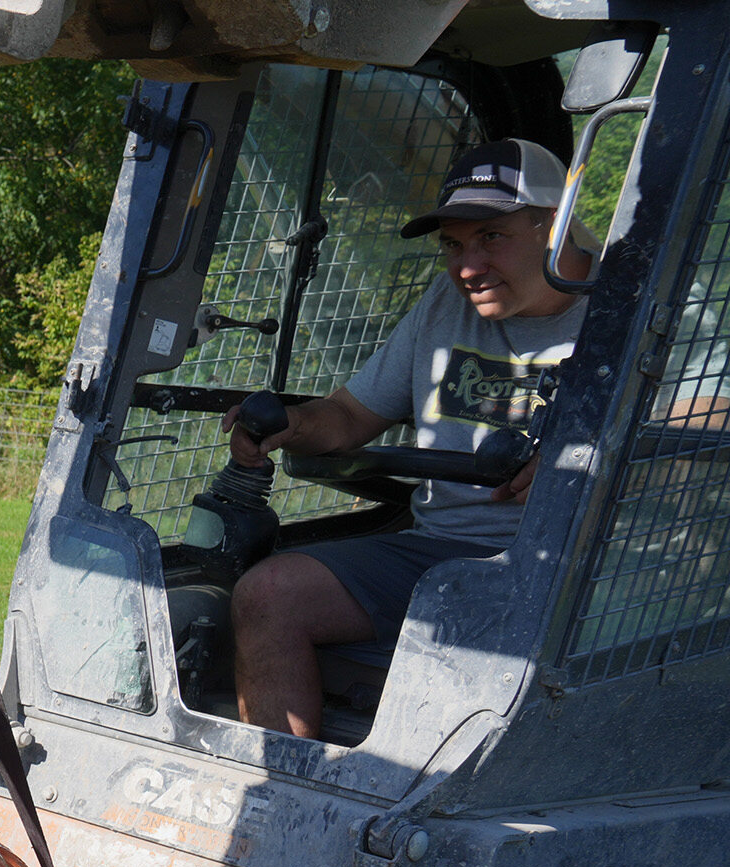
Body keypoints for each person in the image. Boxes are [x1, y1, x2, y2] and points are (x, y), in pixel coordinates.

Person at [227, 139, 589, 736]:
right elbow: (348, 414)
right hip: (439, 551)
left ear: (557, 223)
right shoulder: (448, 303)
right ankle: (282, 802)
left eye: (490, 237)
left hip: (573, 568)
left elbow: (710, 408)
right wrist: (292, 425)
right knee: (266, 595)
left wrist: (581, 454)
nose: (467, 267)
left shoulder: (629, 305)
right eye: (453, 244)